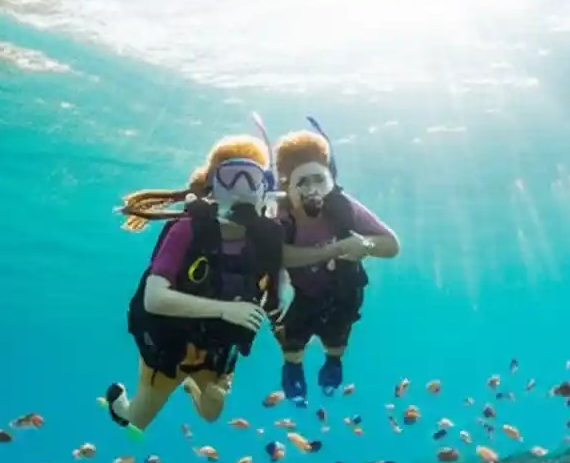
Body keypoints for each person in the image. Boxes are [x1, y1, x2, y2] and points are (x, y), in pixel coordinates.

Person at [103, 131, 285, 434]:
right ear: (212, 184)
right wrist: (226, 310)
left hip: (217, 346)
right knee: (137, 422)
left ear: (265, 187)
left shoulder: (266, 237)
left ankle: (193, 387)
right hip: (171, 342)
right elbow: (154, 299)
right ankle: (120, 407)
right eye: (230, 177)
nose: (241, 190)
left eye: (251, 179)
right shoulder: (186, 230)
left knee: (212, 412)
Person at [272, 120, 400, 404]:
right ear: (285, 185)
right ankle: (293, 366)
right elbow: (275, 255)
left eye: (318, 179)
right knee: (291, 339)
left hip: (342, 291)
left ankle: (333, 362)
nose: (312, 190)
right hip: (299, 292)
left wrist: (365, 245)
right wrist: (333, 250)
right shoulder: (280, 214)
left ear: (330, 178)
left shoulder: (344, 207)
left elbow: (391, 245)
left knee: (337, 338)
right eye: (301, 182)